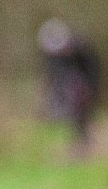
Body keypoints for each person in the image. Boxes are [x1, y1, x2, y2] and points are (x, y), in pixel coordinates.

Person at [37, 18, 100, 153]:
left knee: (83, 117)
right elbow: (54, 75)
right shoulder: (53, 57)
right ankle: (77, 145)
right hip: (69, 89)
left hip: (84, 87)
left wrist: (91, 88)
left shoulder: (81, 50)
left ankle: (86, 145)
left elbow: (93, 70)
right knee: (71, 117)